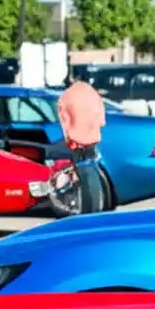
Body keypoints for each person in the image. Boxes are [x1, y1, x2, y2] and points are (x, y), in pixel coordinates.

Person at [56, 81, 108, 214]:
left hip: (76, 142)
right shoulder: (94, 96)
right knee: (92, 173)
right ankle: (95, 208)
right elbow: (102, 121)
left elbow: (64, 120)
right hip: (92, 140)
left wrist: (67, 136)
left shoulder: (66, 97)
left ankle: (84, 209)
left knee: (80, 177)